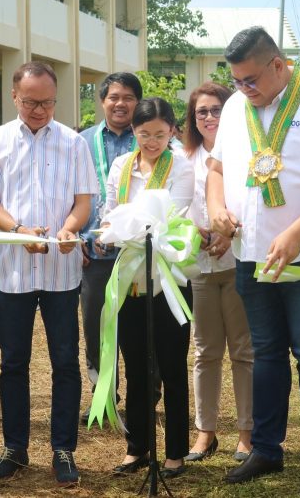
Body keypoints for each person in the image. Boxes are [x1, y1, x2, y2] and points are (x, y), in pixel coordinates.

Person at [207, 26, 300, 495]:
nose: (243, 89)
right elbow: (216, 170)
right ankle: (266, 449)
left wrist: (296, 233)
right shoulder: (236, 108)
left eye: (250, 80)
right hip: (250, 252)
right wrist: (215, 209)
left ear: (278, 65)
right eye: (236, 81)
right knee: (265, 352)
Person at [0, 61, 93, 487]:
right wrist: (17, 230)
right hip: (13, 269)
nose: (39, 110)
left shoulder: (74, 143)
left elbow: (83, 200)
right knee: (13, 361)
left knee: (65, 360)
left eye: (47, 103)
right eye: (30, 103)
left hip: (61, 269)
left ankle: (63, 449)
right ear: (14, 97)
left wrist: (70, 229)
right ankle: (14, 448)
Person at [105, 97, 195, 478]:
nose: (152, 142)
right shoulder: (122, 166)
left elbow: (172, 220)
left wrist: (128, 225)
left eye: (160, 134)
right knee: (135, 366)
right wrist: (115, 227)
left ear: (172, 131)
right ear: (133, 131)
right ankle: (137, 446)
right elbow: (110, 214)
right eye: (144, 134)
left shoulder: (182, 167)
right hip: (129, 281)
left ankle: (174, 452)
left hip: (168, 282)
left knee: (172, 367)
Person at [183, 82, 254, 463]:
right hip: (200, 266)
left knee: (243, 351)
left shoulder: (245, 151)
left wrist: (230, 233)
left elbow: (255, 201)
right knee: (205, 351)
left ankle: (247, 434)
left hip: (238, 262)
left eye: (216, 110)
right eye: (202, 112)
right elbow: (174, 208)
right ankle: (205, 432)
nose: (209, 117)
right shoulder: (183, 157)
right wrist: (191, 231)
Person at [78, 72, 142, 420]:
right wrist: (78, 237)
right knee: (96, 327)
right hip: (94, 253)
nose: (120, 104)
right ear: (102, 101)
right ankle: (103, 396)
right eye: (114, 97)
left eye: (128, 97)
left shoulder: (149, 137)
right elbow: (70, 192)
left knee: (139, 328)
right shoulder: (82, 142)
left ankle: (145, 397)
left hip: (139, 255)